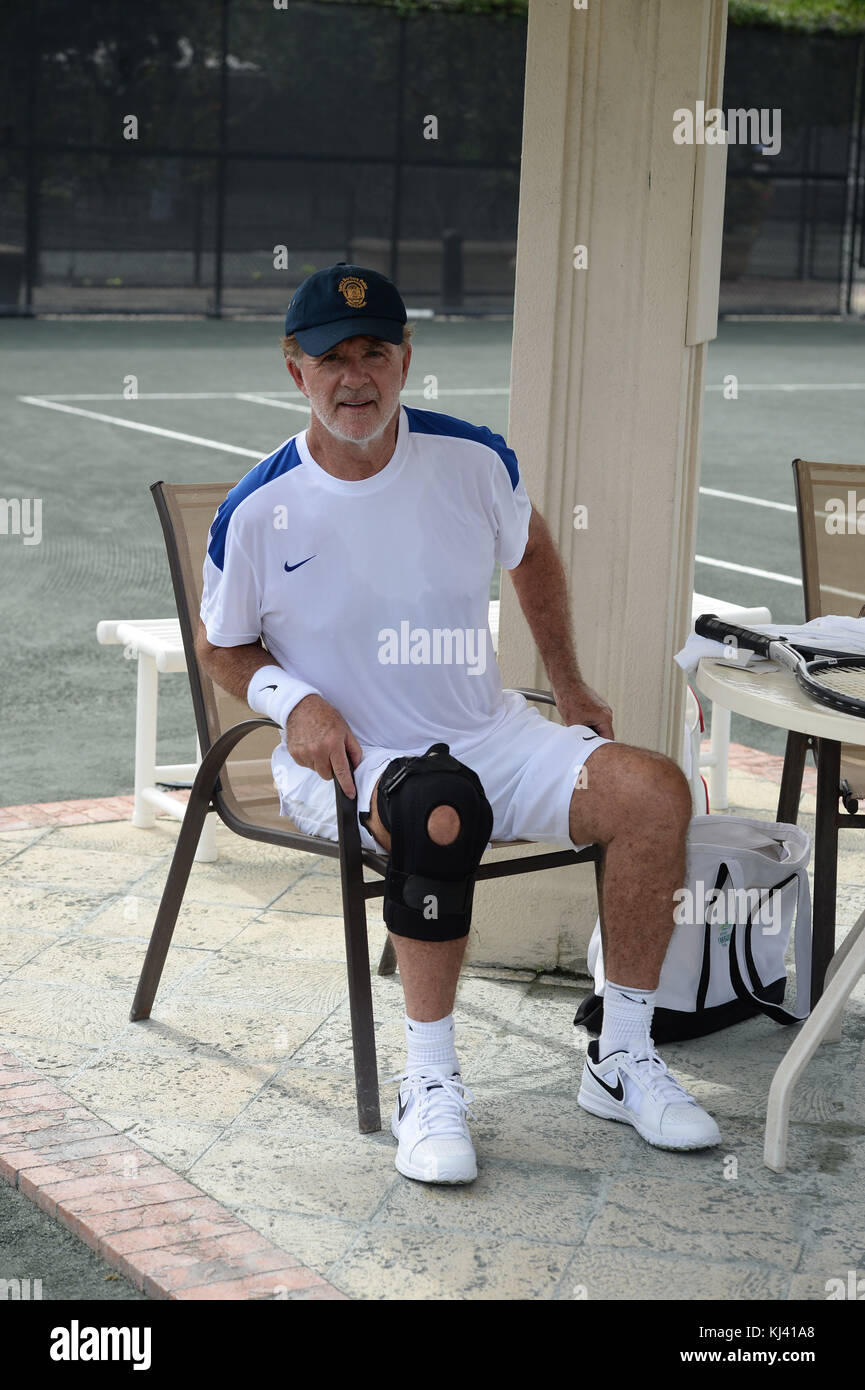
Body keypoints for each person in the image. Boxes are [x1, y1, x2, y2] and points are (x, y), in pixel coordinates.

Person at [196, 262, 721, 1186]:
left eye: (375, 352)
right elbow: (223, 650)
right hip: (355, 758)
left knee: (653, 792)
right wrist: (296, 703)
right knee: (440, 810)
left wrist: (568, 677)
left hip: (490, 732)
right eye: (331, 359)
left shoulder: (473, 457)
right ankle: (428, 1083)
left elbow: (531, 551)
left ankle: (621, 1057)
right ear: (294, 371)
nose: (354, 377)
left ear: (406, 359)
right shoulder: (256, 510)